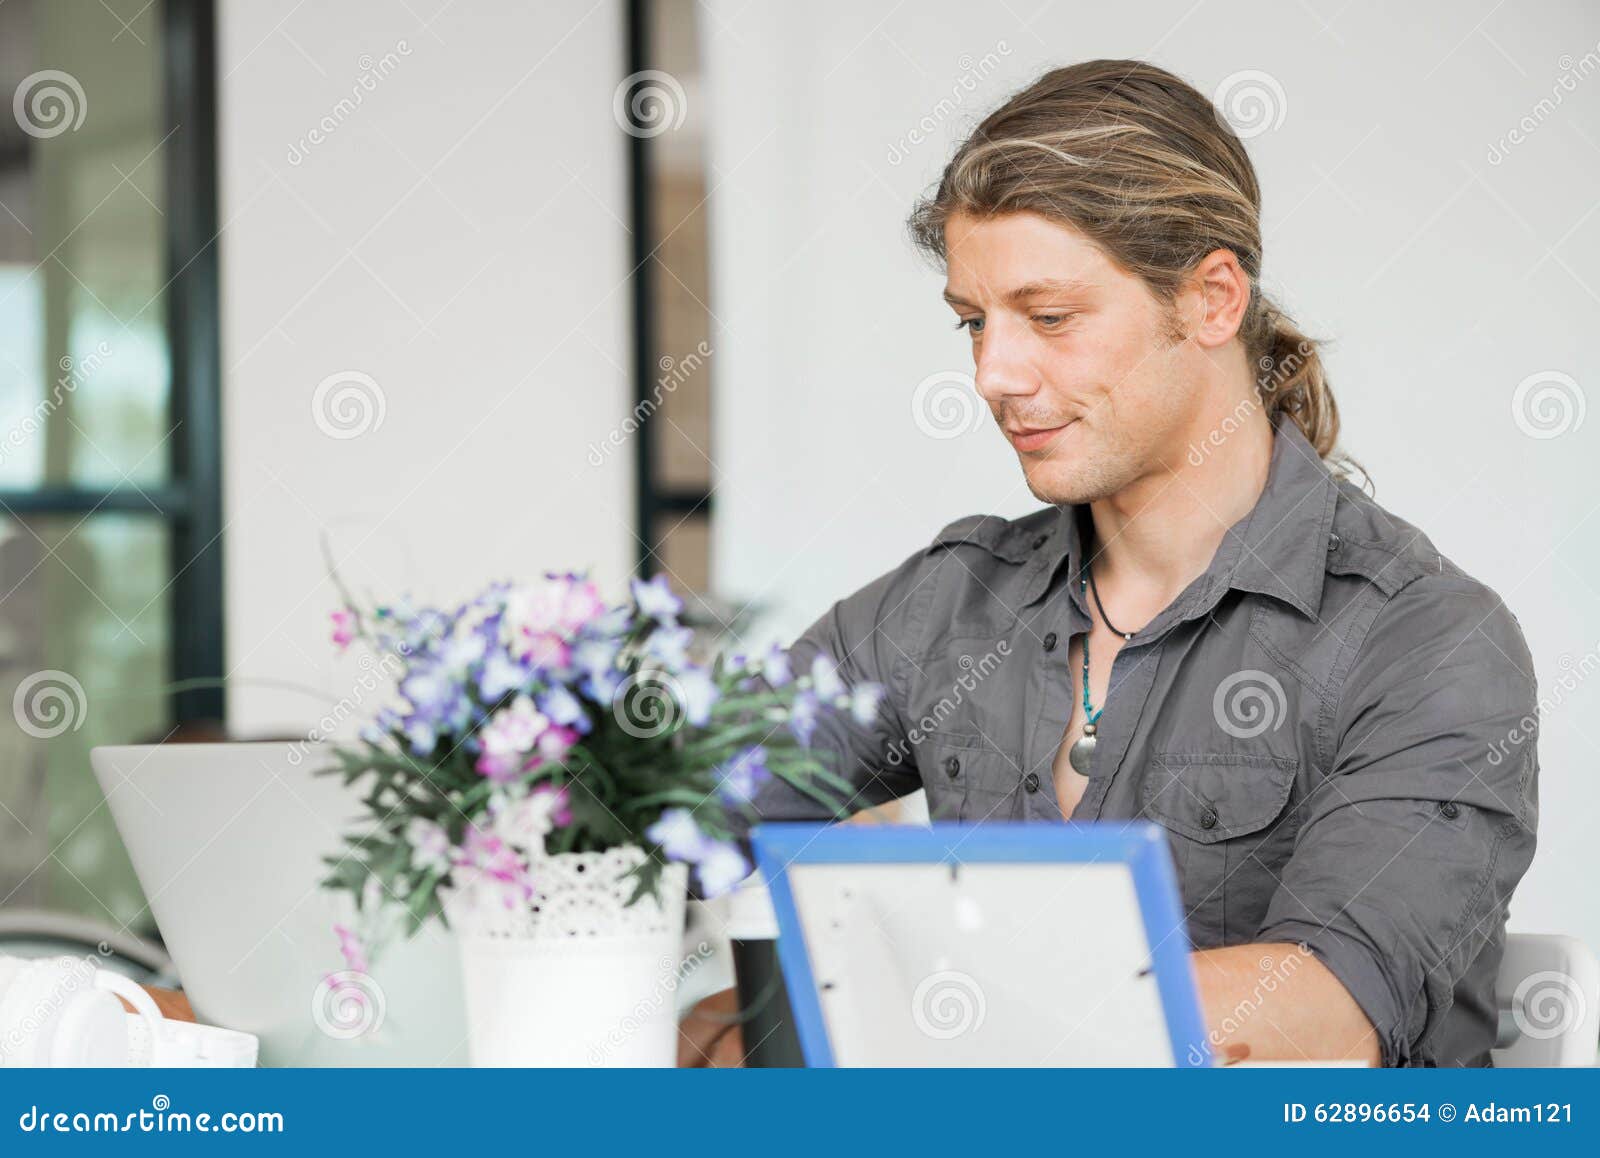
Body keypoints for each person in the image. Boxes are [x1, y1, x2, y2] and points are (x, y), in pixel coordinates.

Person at [678, 59, 1538, 1068]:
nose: (993, 374)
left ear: (1213, 298)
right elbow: (675, 813)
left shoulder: (1426, 640)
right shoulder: (947, 605)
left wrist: (861, 1012)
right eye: (973, 321)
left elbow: (1318, 1010)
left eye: (1049, 318)